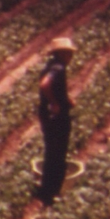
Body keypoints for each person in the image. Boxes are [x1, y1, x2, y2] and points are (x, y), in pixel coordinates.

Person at [36, 36, 77, 203]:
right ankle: (51, 193)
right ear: (61, 54)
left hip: (47, 114)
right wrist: (54, 103)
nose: (71, 56)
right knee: (57, 154)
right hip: (56, 117)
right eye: (68, 53)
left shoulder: (50, 65)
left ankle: (46, 189)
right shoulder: (58, 68)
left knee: (51, 152)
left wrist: (65, 99)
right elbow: (45, 85)